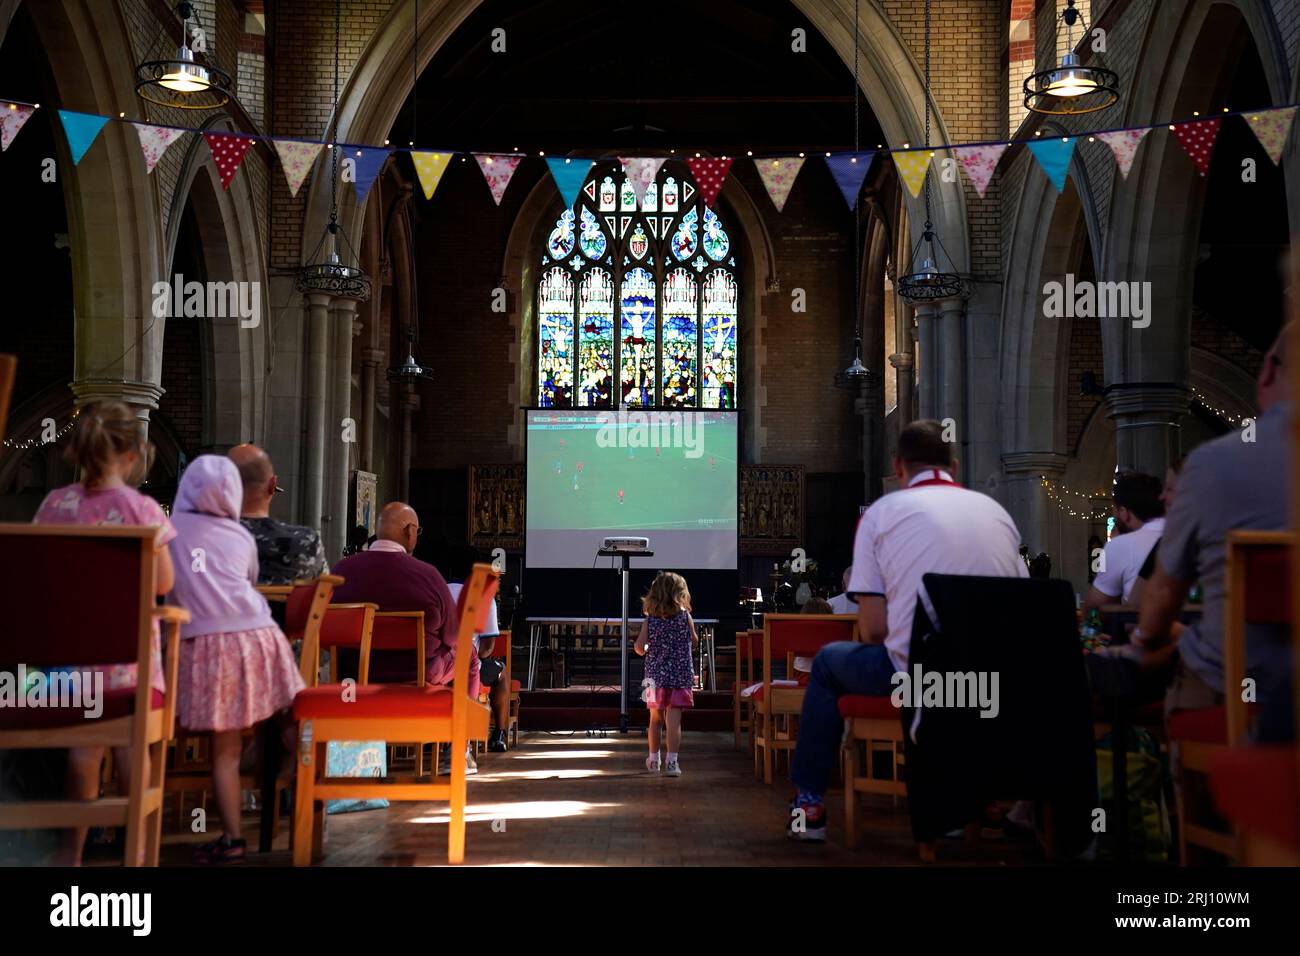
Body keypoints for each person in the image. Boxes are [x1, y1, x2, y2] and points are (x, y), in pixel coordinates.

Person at [786, 420, 1027, 842]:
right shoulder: (998, 515)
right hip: (994, 684)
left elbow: (875, 630)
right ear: (954, 465)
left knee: (826, 663)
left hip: (918, 679)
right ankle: (988, 798)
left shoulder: (882, 514)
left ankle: (810, 807)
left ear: (898, 467)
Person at [32, 400, 176, 866]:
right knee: (135, 753)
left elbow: (40, 579)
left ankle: (70, 857)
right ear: (133, 457)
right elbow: (164, 584)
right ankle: (134, 853)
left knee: (83, 757)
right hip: (129, 676)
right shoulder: (142, 510)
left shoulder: (56, 505)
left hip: (68, 680)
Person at [1137, 324, 1293, 739]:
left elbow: (1162, 598)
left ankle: (1191, 799)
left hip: (1235, 696)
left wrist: (1144, 636)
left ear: (1266, 375)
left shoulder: (1212, 464)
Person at [166, 455, 305, 863]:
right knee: (287, 722)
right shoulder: (239, 534)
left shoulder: (169, 532)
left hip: (211, 645)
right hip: (263, 639)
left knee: (223, 751)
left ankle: (232, 836)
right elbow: (247, 581)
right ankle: (308, 799)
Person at [330, 502, 478, 773]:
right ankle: (459, 749)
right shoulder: (428, 575)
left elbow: (325, 631)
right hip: (417, 674)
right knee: (469, 655)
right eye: (417, 531)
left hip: (353, 676)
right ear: (410, 532)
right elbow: (453, 635)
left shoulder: (340, 571)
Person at [227, 444, 327, 585]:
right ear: (272, 485)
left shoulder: (205, 538)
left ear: (224, 484)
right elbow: (326, 594)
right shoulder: (307, 543)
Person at [444, 547, 510, 753]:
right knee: (502, 673)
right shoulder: (483, 596)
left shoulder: (439, 591)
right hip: (467, 667)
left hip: (436, 666)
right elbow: (488, 648)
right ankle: (498, 734)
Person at [633, 571, 697, 777]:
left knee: (654, 719)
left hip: (654, 677)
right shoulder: (685, 618)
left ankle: (653, 761)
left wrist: (646, 649)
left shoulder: (649, 621)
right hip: (680, 676)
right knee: (674, 721)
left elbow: (639, 647)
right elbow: (694, 641)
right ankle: (672, 763)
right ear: (681, 594)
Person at [1082, 471, 1165, 612]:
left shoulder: (1121, 545)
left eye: (1114, 511)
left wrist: (1113, 548)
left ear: (1124, 513)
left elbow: (1094, 609)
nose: (1114, 516)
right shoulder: (1183, 534)